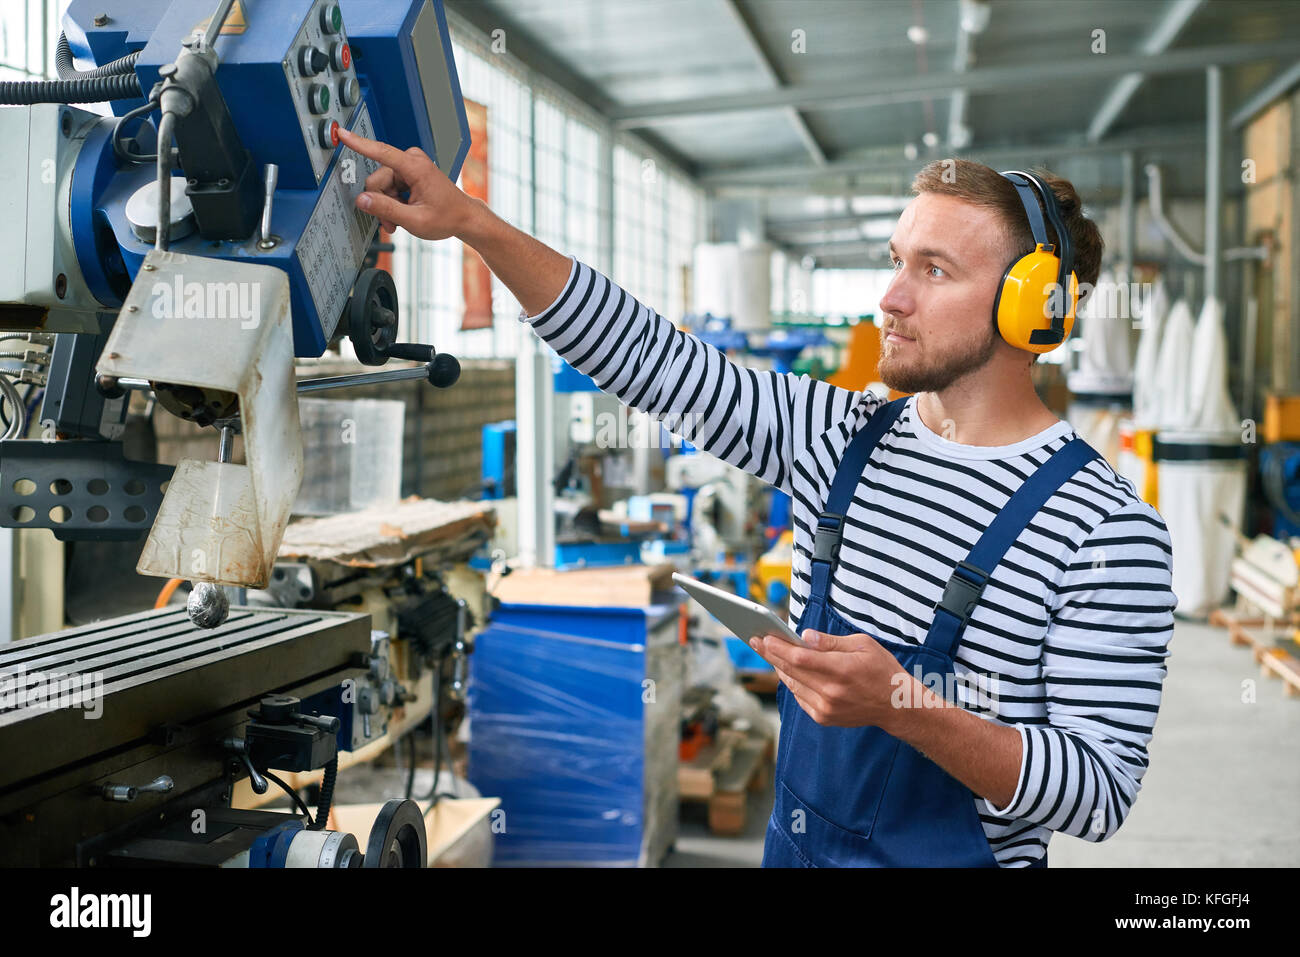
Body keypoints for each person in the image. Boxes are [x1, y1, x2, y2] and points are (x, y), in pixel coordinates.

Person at [336, 125, 1176, 868]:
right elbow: (654, 358)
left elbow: (1098, 792)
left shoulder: (1104, 529)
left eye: (935, 269)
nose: (890, 296)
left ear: (1031, 307)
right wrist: (474, 224)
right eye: (895, 260)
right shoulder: (839, 435)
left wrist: (904, 706)